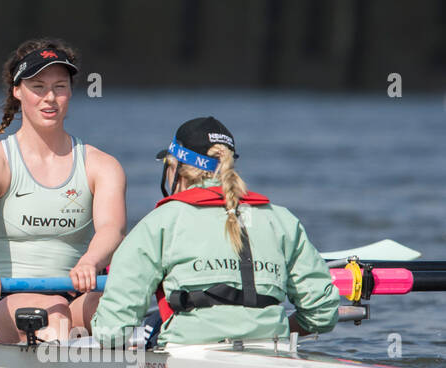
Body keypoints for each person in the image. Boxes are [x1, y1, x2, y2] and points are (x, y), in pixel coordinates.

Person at [91, 117, 339, 347]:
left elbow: (111, 331)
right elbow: (322, 315)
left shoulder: (160, 223)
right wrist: (279, 330)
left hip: (188, 356)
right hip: (273, 349)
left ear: (175, 168)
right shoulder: (281, 219)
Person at [0, 40, 126, 343]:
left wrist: (90, 261)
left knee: (117, 315)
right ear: (17, 91)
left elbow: (112, 229)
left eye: (59, 87)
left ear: (71, 92)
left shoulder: (102, 166)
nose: (50, 98)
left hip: (70, 297)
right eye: (38, 87)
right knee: (52, 315)